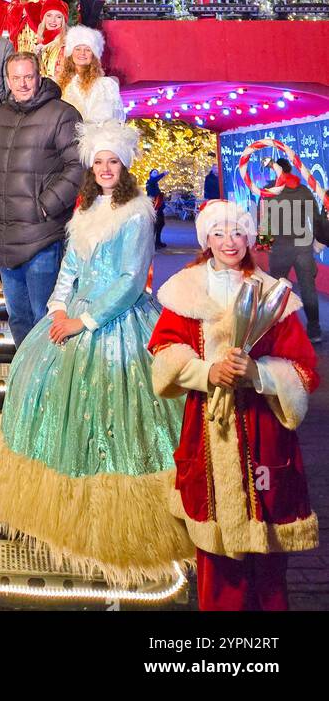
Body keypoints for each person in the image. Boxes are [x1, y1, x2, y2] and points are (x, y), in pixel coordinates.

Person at [0, 123, 190, 585]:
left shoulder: (137, 213)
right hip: (74, 313)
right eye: (98, 162)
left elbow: (131, 281)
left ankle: (122, 522)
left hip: (118, 324)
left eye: (112, 161)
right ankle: (61, 514)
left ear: (124, 166)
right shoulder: (87, 208)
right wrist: (57, 309)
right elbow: (71, 266)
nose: (105, 168)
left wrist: (85, 321)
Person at [149, 200, 319, 611]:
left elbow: (304, 370)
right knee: (215, 551)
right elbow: (165, 353)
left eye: (238, 233)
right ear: (206, 239)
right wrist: (207, 372)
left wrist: (258, 374)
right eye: (220, 233)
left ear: (249, 238)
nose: (230, 242)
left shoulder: (274, 296)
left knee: (267, 556)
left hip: (263, 432)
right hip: (208, 429)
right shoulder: (186, 291)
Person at [0, 52, 83, 346]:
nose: (22, 83)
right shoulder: (2, 114)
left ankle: (46, 383)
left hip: (42, 236)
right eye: (16, 78)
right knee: (18, 318)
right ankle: (23, 382)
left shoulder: (62, 114)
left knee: (44, 317)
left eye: (28, 76)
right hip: (6, 235)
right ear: (7, 80)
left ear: (39, 76)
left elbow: (79, 165)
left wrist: (46, 206)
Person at [266, 157, 328, 345]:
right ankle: (314, 330)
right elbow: (317, 219)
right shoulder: (303, 190)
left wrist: (264, 244)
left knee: (277, 289)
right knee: (308, 288)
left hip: (280, 247)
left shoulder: (268, 190)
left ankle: (276, 330)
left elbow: (265, 220)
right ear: (291, 170)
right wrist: (321, 241)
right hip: (303, 245)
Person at [59, 26, 125, 124]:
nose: (82, 53)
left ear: (93, 56)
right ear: (71, 53)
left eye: (88, 50)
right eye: (78, 49)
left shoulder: (105, 85)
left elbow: (113, 118)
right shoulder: (60, 84)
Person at [36, 0, 69, 83]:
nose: (53, 20)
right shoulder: (39, 42)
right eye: (49, 15)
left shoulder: (67, 44)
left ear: (63, 20)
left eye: (58, 17)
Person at [146, 168, 168, 250]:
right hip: (154, 207)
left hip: (158, 207)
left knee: (161, 224)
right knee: (154, 225)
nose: (156, 173)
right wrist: (163, 174)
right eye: (154, 172)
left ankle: (157, 241)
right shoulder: (150, 182)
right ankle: (152, 243)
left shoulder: (154, 183)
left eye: (157, 172)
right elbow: (154, 181)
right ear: (150, 174)